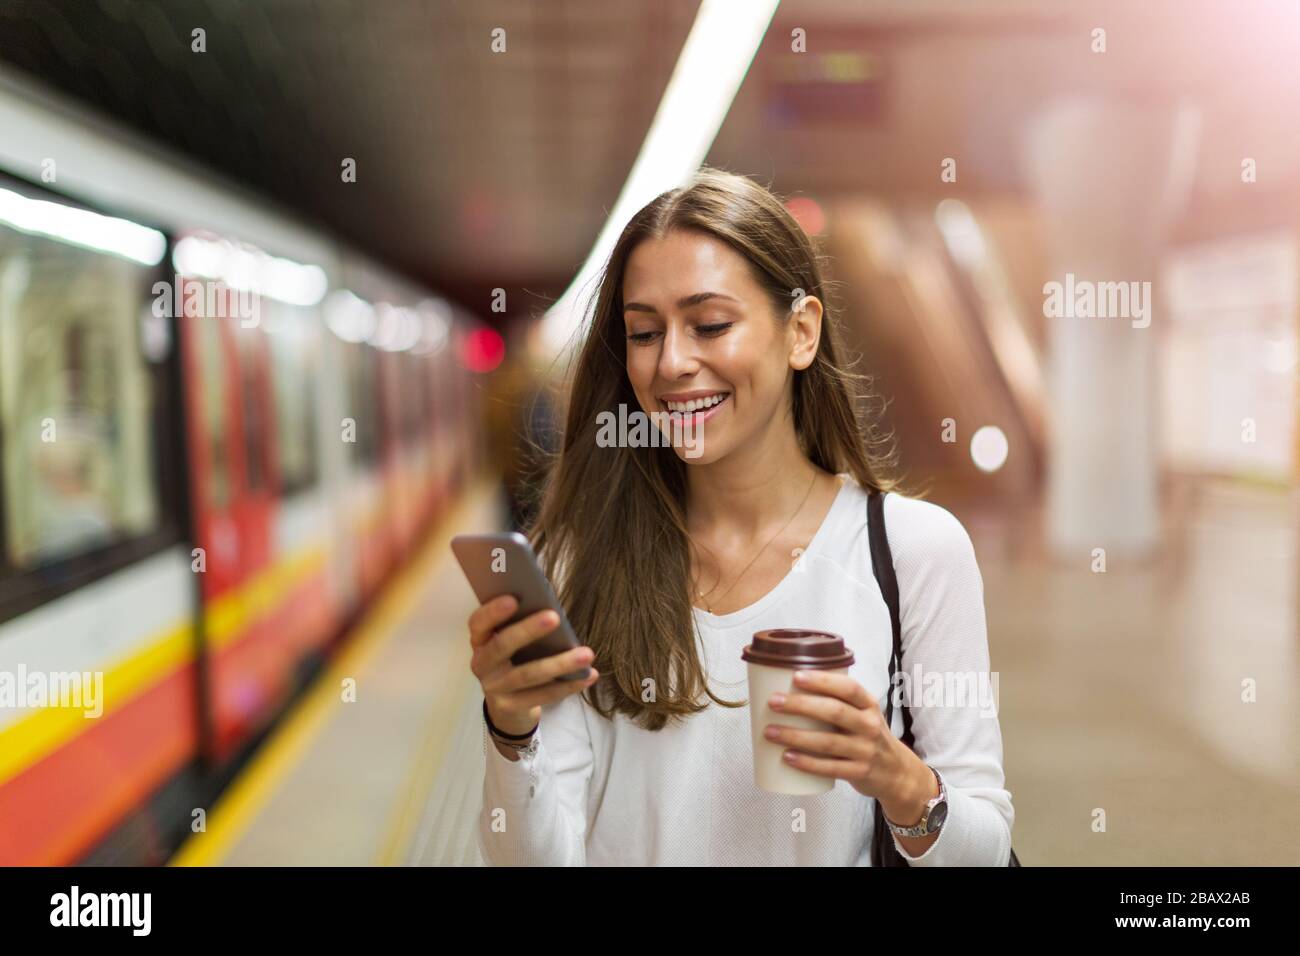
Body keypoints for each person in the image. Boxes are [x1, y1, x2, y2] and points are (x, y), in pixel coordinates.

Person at [469, 167, 1013, 865]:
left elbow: (985, 851)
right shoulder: (578, 562)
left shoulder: (911, 552)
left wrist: (898, 779)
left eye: (711, 325)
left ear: (801, 332)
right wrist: (511, 729)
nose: (671, 363)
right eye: (643, 333)